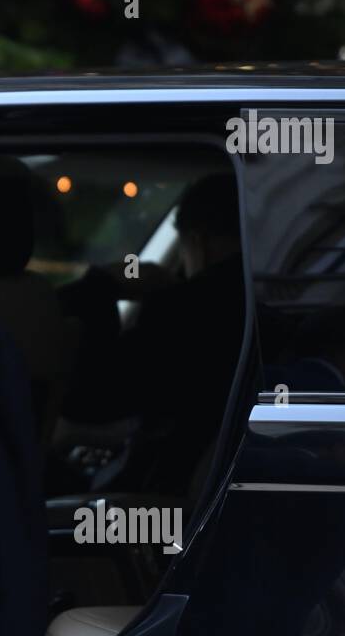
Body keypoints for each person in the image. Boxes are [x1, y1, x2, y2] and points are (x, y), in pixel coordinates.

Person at [56, 172, 246, 496]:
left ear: (196, 241)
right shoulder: (256, 302)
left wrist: (102, 285)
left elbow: (90, 399)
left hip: (166, 508)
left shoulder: (186, 311)